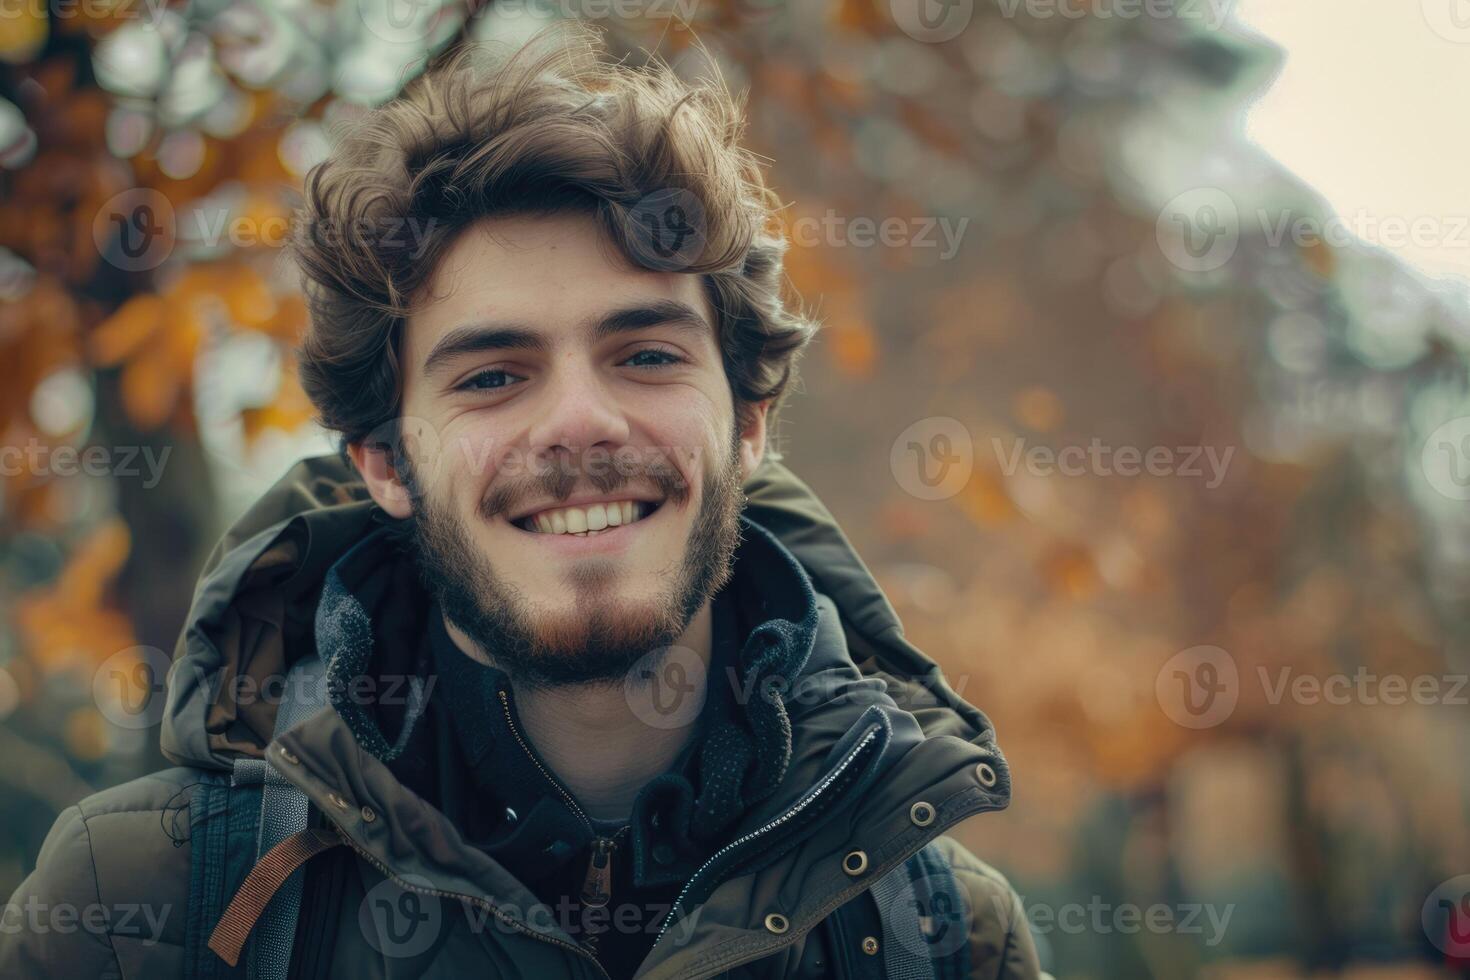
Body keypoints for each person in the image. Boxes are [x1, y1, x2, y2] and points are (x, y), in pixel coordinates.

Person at [1, 22, 1043, 980]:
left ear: (752, 421)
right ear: (384, 461)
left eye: (644, 353)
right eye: (492, 375)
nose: (580, 422)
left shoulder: (946, 935)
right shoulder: (131, 905)